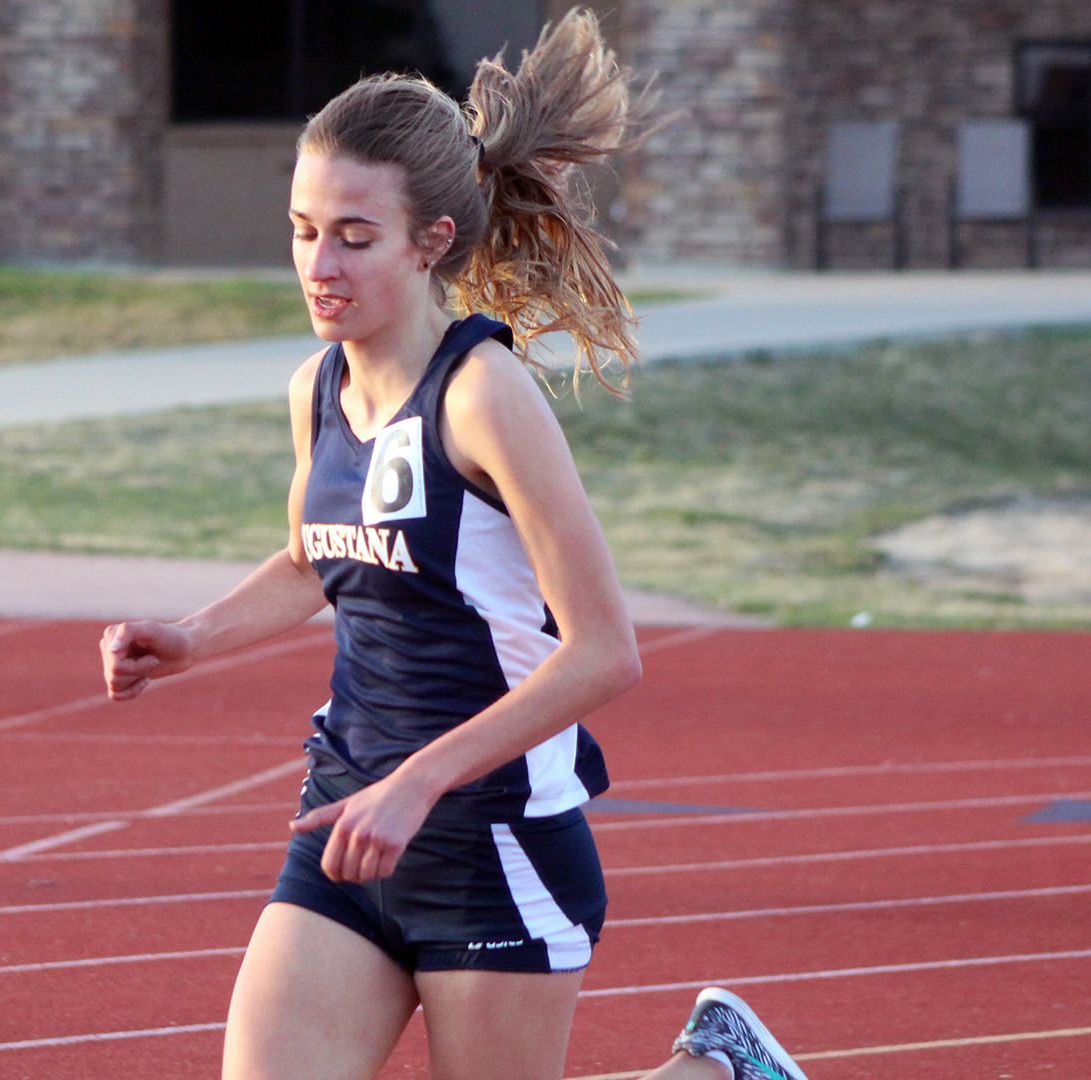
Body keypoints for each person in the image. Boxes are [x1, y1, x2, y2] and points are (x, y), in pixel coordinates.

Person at [99, 11, 808, 1080]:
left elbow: (606, 650)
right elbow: (315, 557)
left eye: (352, 234)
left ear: (432, 240)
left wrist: (419, 784)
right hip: (348, 821)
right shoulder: (318, 389)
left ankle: (715, 1072)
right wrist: (190, 638)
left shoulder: (485, 398)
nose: (317, 264)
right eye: (301, 230)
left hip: (493, 836)